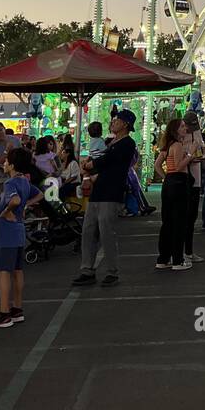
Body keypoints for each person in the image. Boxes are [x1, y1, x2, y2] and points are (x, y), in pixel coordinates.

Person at [71, 110, 137, 288]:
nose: (113, 122)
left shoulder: (127, 144)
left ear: (125, 124)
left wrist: (90, 165)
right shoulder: (110, 143)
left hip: (111, 192)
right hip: (98, 191)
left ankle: (111, 271)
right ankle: (87, 270)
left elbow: (108, 161)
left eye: (117, 120)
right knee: (88, 230)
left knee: (107, 231)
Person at [0, 147, 40, 328]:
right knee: (17, 270)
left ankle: (4, 312)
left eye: (7, 161)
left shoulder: (10, 184)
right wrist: (25, 206)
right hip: (19, 230)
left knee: (3, 272)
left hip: (6, 232)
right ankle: (17, 308)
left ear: (13, 165)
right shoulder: (24, 181)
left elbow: (14, 200)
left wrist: (7, 211)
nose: (4, 163)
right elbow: (39, 194)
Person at [154, 119, 191, 271]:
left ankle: (163, 258)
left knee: (167, 222)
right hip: (179, 182)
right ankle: (177, 260)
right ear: (175, 130)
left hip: (169, 183)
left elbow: (157, 165)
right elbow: (178, 166)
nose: (185, 128)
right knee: (179, 222)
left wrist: (166, 178)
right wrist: (191, 155)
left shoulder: (166, 146)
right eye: (182, 126)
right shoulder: (177, 145)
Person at [180, 111, 205, 263]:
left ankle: (188, 251)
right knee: (183, 217)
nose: (187, 129)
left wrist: (199, 152)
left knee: (191, 217)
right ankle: (180, 252)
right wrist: (191, 154)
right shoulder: (178, 138)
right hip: (183, 179)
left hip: (195, 179)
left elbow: (200, 151)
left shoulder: (196, 134)